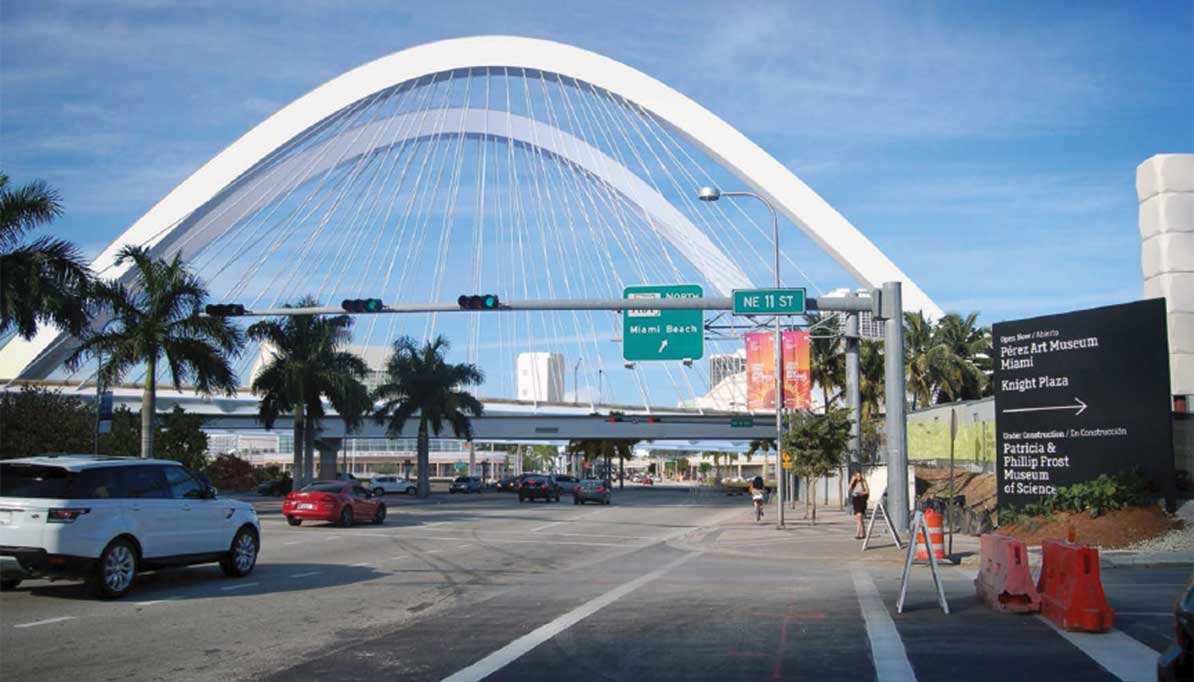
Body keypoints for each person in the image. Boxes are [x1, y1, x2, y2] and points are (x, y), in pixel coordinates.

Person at [849, 470, 870, 539]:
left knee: (859, 515)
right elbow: (849, 489)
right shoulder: (853, 483)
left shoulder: (863, 482)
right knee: (859, 518)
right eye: (857, 476)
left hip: (861, 499)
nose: (858, 477)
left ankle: (858, 533)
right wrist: (852, 481)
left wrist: (861, 493)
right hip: (855, 499)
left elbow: (867, 491)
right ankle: (863, 533)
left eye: (859, 476)